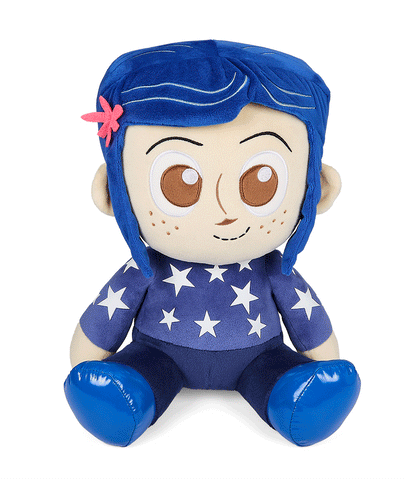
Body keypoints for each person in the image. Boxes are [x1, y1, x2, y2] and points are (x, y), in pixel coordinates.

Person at [64, 40, 360, 447]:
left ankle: (295, 398)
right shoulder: (146, 268)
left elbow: (308, 322)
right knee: (141, 374)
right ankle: (126, 395)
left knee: (278, 376)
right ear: (111, 193)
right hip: (158, 353)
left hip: (261, 356)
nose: (225, 210)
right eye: (180, 183)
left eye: (261, 181)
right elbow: (104, 321)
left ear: (318, 189)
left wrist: (324, 363)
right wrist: (87, 360)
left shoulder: (274, 270)